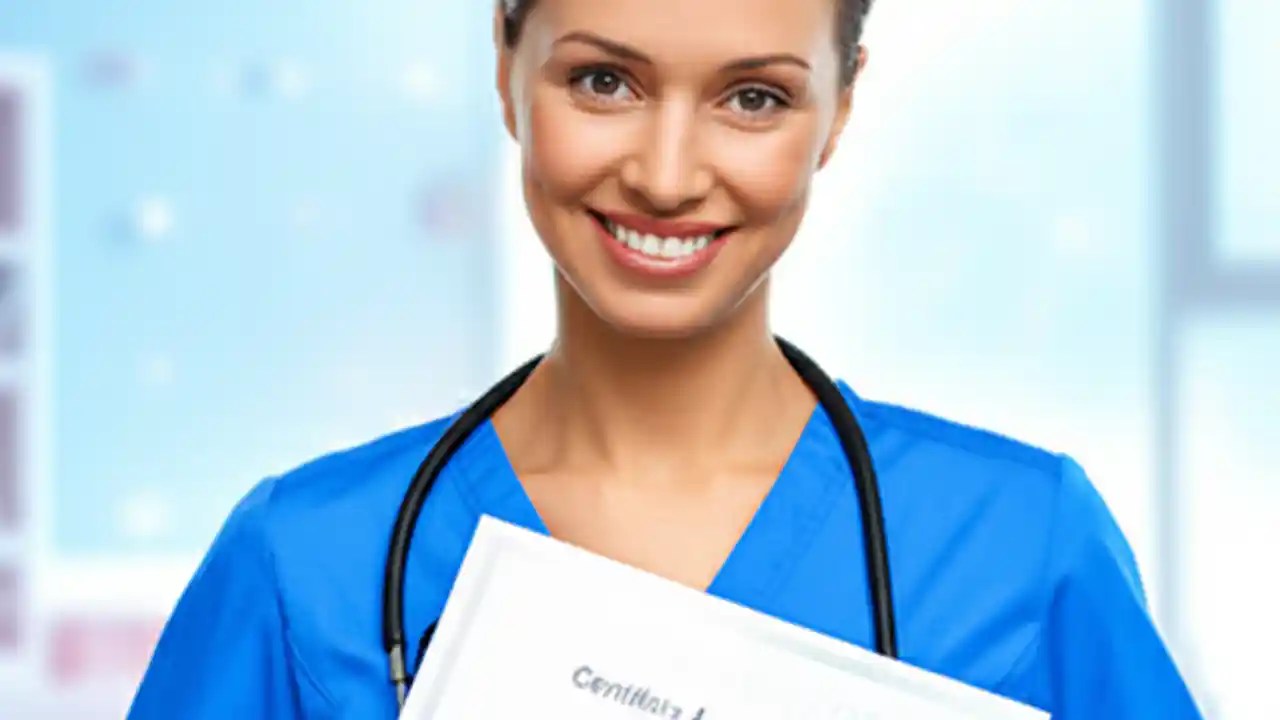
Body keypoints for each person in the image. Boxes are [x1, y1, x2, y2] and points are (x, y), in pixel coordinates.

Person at [127, 0, 1203, 717]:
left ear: (839, 107)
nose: (666, 173)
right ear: (505, 67)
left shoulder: (1017, 542)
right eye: (603, 82)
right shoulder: (308, 561)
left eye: (753, 98)